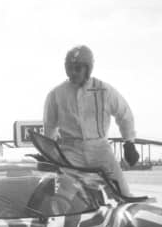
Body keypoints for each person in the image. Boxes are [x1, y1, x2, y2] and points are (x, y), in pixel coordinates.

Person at [43, 45, 140, 197]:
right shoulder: (56, 94)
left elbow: (124, 114)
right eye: (69, 68)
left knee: (123, 194)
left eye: (77, 68)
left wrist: (129, 143)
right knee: (65, 199)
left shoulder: (105, 90)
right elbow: (49, 127)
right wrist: (48, 155)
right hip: (70, 151)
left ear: (88, 69)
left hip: (101, 150)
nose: (72, 73)